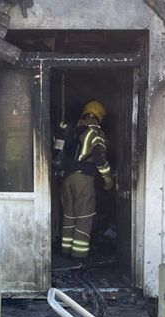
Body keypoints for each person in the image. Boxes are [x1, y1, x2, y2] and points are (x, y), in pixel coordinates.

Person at [59, 100, 113, 259]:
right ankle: (79, 256)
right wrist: (108, 179)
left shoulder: (73, 129)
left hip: (66, 178)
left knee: (69, 216)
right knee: (84, 217)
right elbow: (99, 158)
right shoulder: (95, 132)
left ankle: (65, 252)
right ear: (100, 116)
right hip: (83, 178)